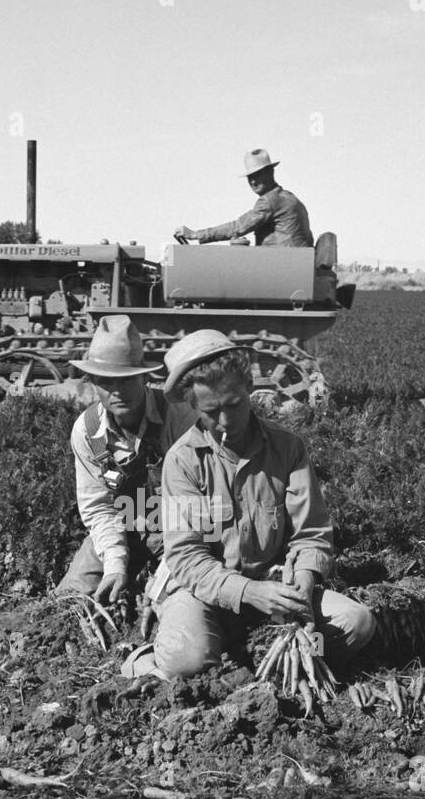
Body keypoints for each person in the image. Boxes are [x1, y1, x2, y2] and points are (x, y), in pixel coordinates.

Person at [146, 329, 375, 679]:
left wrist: (303, 579)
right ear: (192, 405)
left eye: (234, 405)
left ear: (250, 386)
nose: (225, 421)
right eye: (211, 411)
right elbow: (188, 559)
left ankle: (259, 655)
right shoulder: (183, 462)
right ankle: (149, 661)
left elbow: (310, 533)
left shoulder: (287, 448)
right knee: (186, 663)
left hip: (274, 584)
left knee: (356, 624)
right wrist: (249, 592)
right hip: (202, 590)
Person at [56, 315, 197, 606]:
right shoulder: (87, 431)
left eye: (127, 380)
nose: (117, 391)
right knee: (71, 599)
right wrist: (115, 566)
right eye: (107, 382)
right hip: (123, 527)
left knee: (172, 603)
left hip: (181, 530)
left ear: (144, 377)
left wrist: (167, 574)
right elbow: (98, 509)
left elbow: (200, 507)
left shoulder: (179, 418)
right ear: (93, 382)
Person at [175, 149, 314, 249]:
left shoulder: (270, 201)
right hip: (292, 264)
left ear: (270, 172)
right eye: (250, 177)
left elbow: (238, 227)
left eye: (257, 175)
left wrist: (196, 234)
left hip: (282, 267)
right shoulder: (288, 197)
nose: (253, 182)